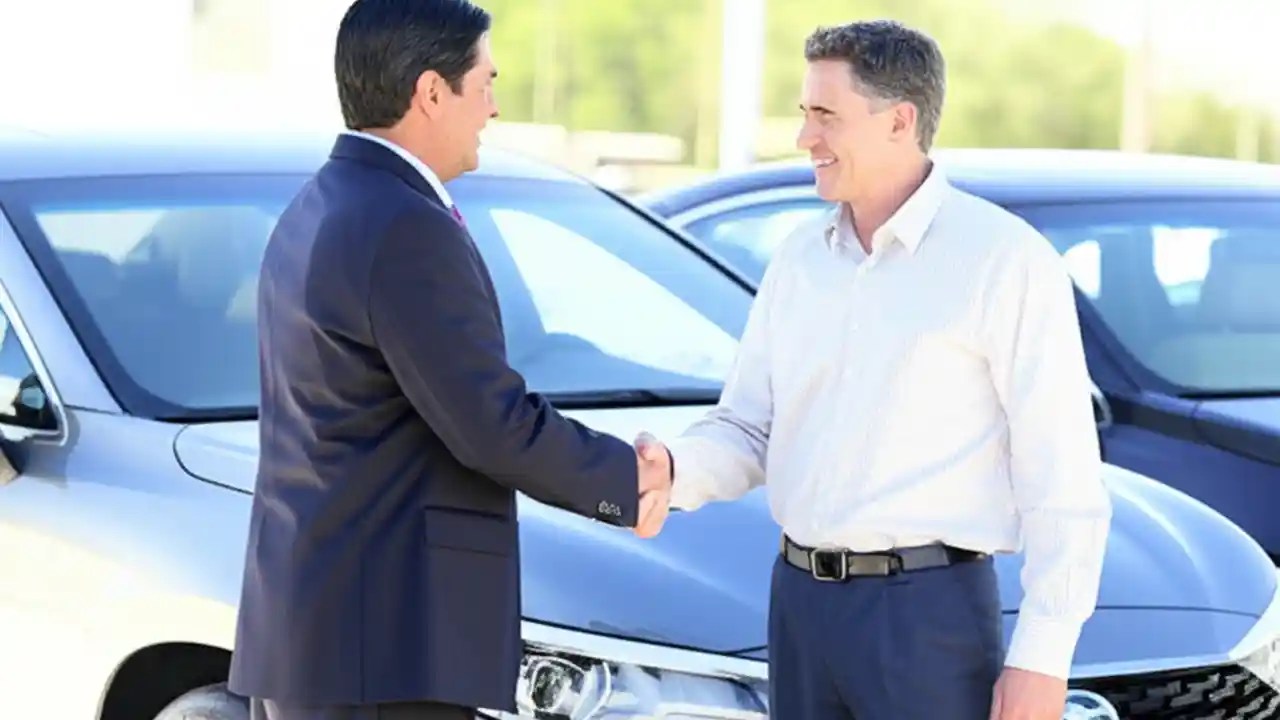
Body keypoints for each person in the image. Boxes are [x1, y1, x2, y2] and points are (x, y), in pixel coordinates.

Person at [634, 19, 1111, 720]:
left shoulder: (1004, 260)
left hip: (925, 620)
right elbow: (749, 427)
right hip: (798, 607)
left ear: (900, 121)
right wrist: (673, 472)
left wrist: (1044, 656)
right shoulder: (798, 259)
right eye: (805, 114)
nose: (805, 139)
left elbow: (1062, 474)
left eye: (825, 116)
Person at [226, 1, 672, 719]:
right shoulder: (403, 224)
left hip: (324, 633)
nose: (493, 108)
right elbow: (487, 423)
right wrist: (630, 480)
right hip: (387, 645)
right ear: (432, 92)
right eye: (486, 82)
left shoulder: (320, 204)